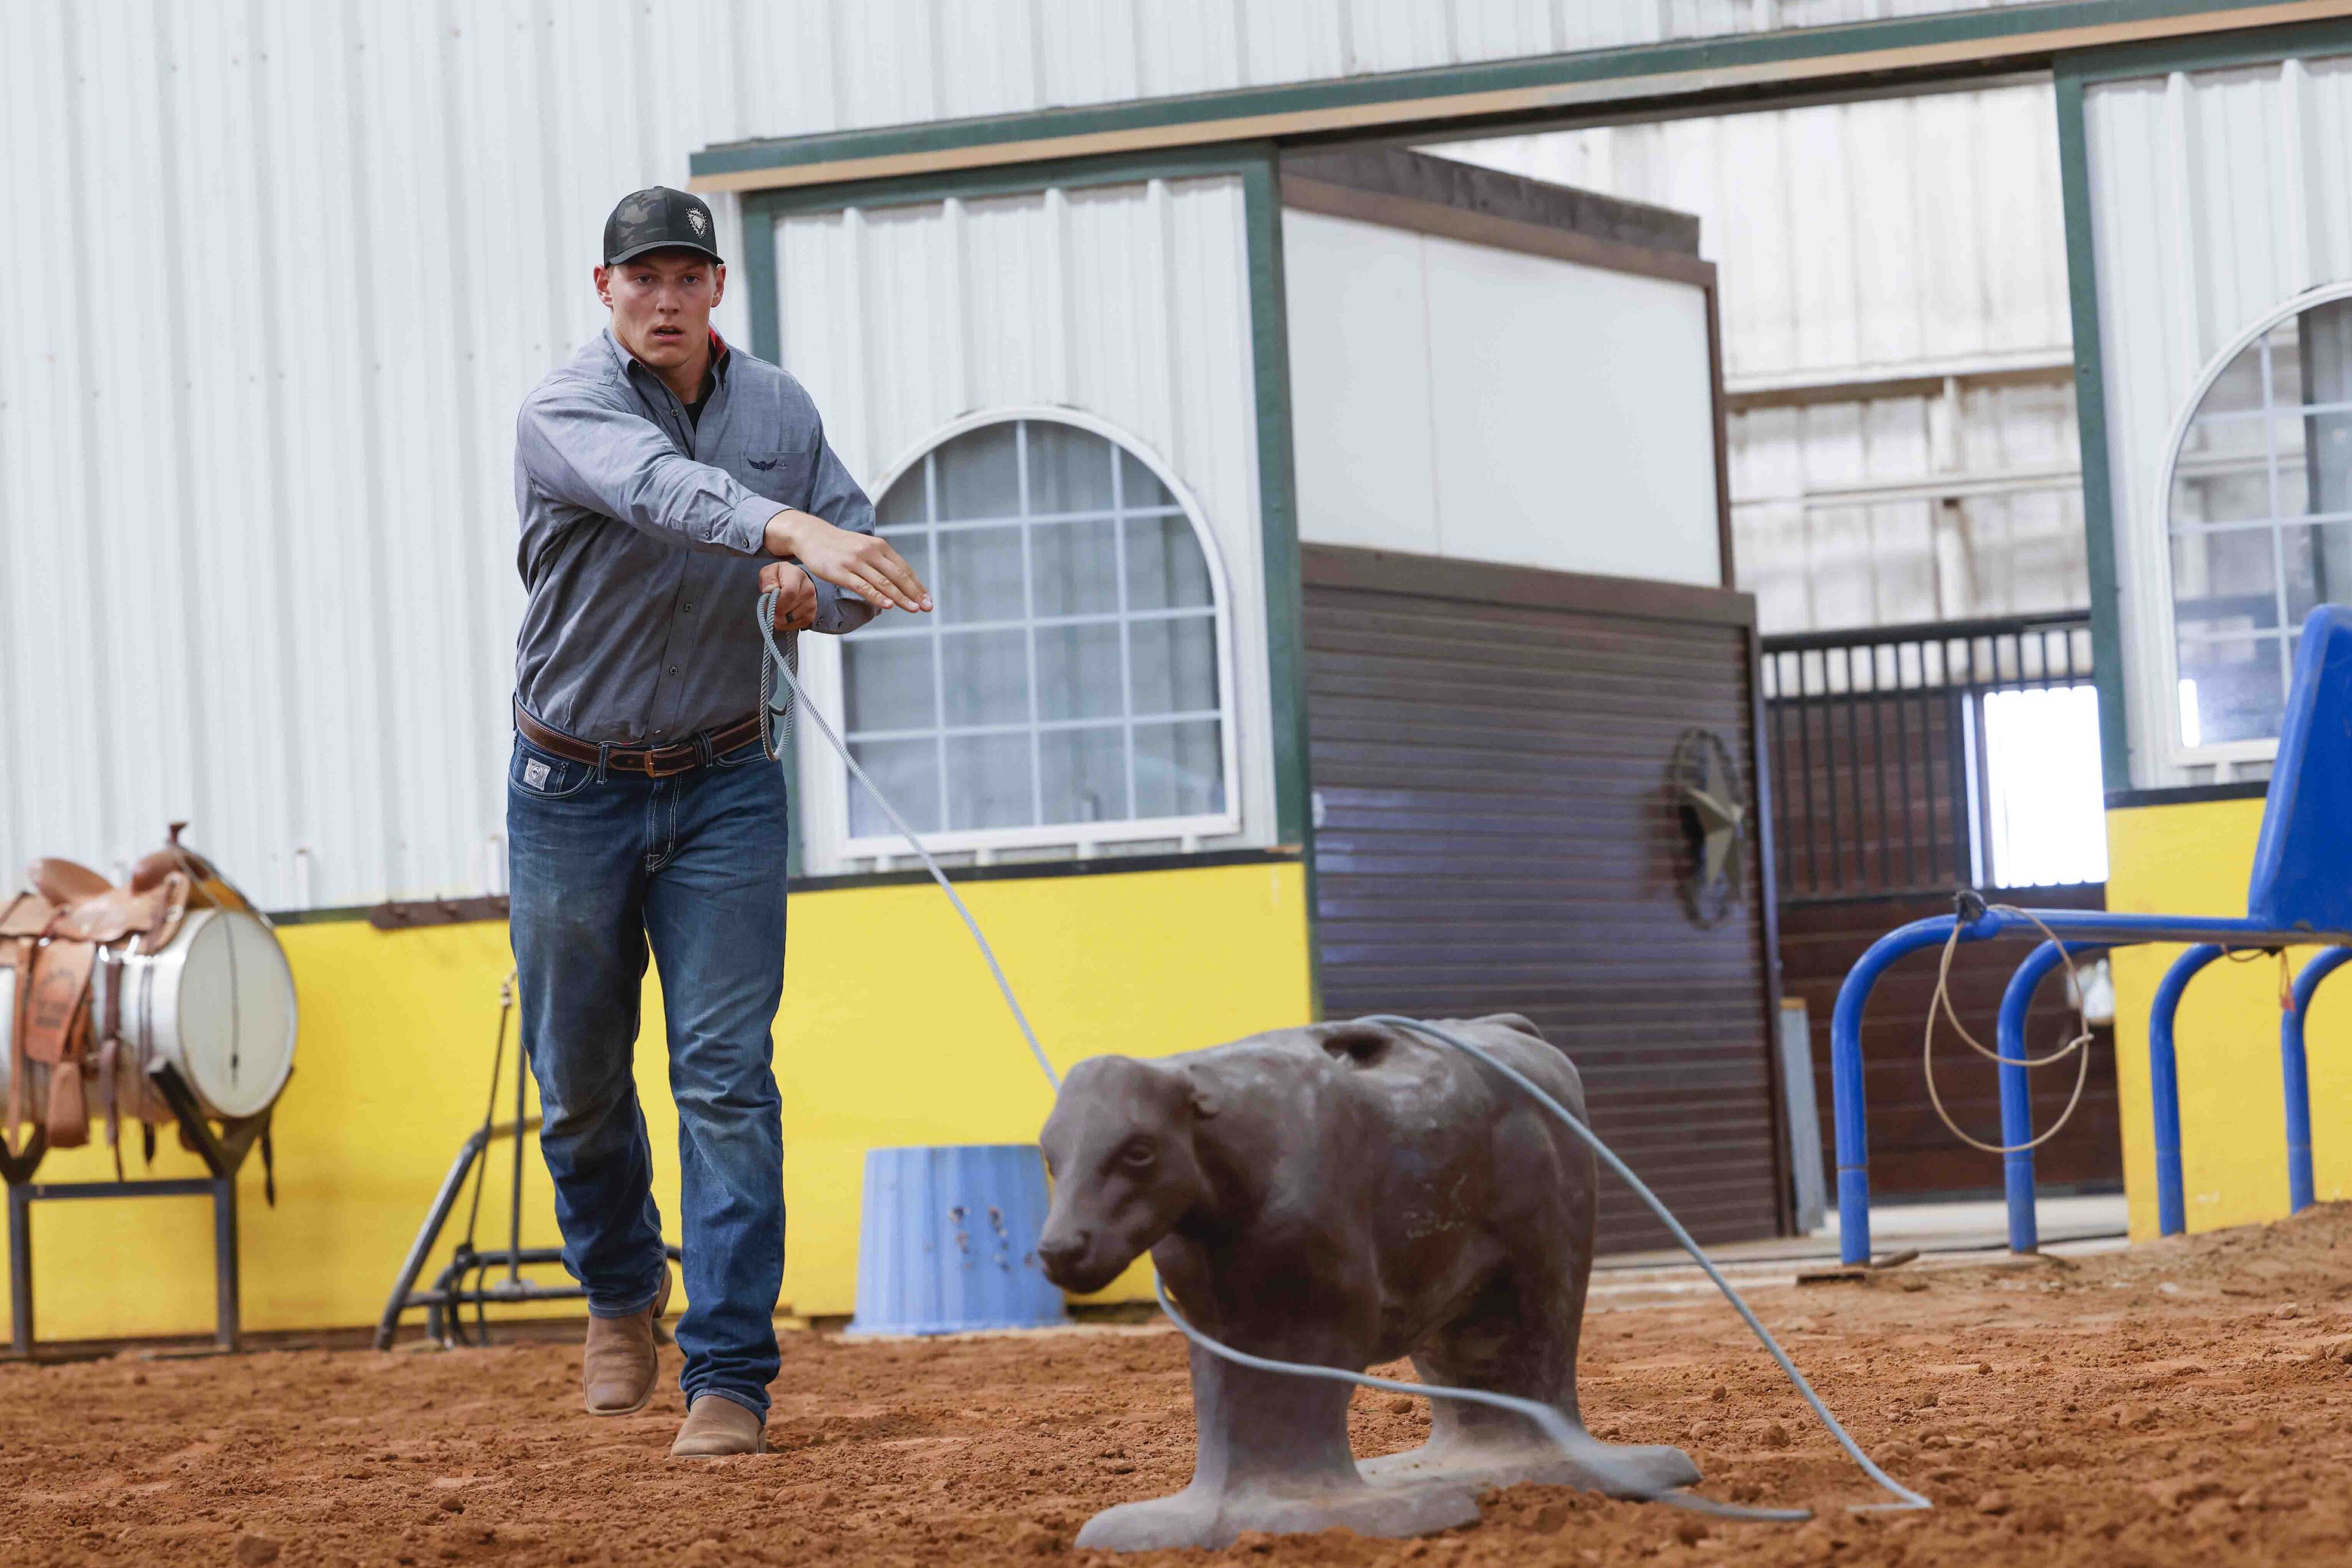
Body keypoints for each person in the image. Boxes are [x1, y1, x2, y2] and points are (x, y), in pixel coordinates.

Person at [507, 185, 929, 1458]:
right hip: (569, 789)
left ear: (715, 290)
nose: (667, 298)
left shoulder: (780, 411)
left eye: (689, 275)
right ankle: (620, 1285)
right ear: (605, 291)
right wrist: (782, 526)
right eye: (644, 278)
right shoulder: (562, 411)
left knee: (725, 1080)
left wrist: (819, 593)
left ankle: (730, 1375)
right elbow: (660, 493)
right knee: (577, 1087)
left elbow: (853, 553)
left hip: (727, 783)